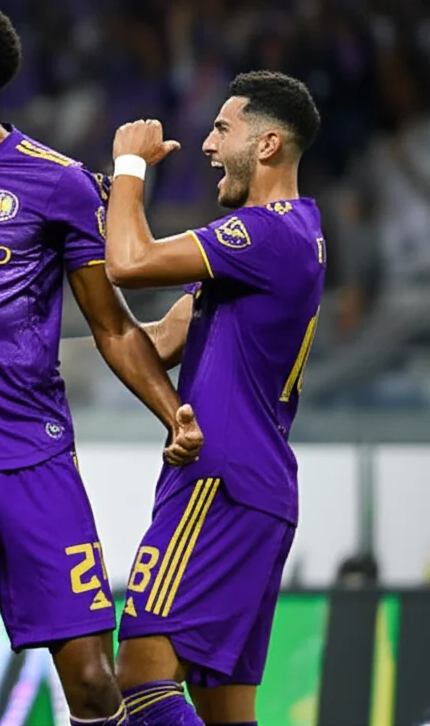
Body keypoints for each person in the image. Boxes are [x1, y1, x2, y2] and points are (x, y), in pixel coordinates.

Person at [0, 0, 203, 726]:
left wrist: (172, 413)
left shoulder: (57, 183)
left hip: (36, 464)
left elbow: (112, 327)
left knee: (92, 682)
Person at [104, 71, 323, 726]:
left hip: (218, 482)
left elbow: (129, 262)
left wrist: (128, 169)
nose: (206, 143)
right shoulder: (283, 239)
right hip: (259, 490)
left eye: (223, 129)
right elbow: (161, 340)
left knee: (141, 679)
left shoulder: (264, 234)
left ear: (267, 144)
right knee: (226, 711)